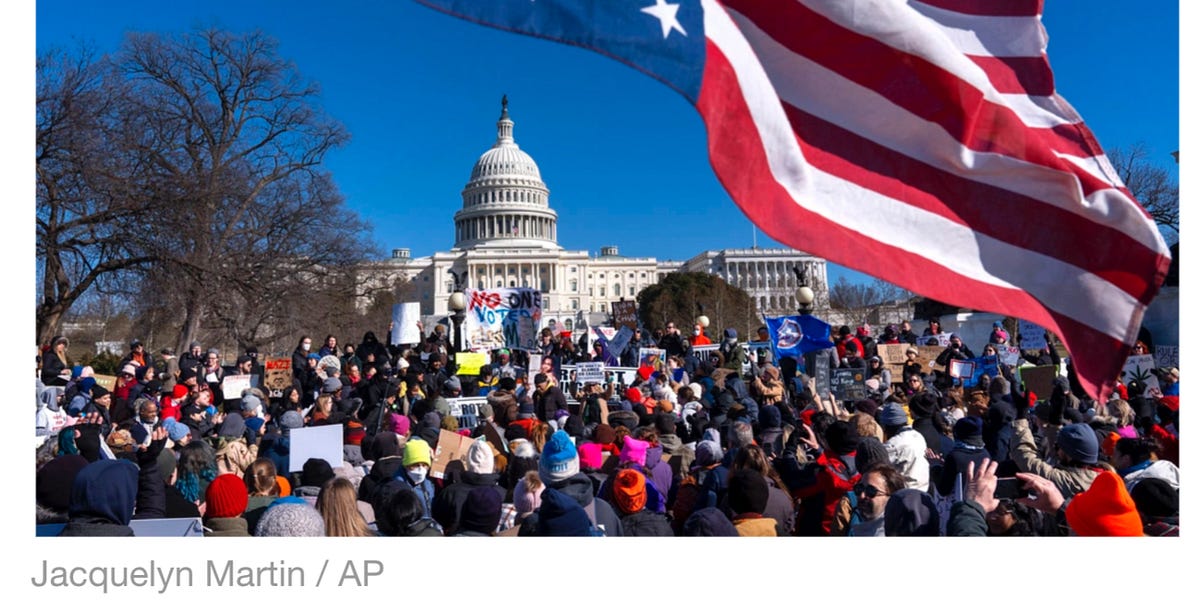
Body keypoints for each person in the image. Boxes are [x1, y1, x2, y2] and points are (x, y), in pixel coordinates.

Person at [879, 402, 930, 491]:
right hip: (923, 487)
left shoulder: (894, 444)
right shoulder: (917, 435)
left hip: (906, 491)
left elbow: (878, 465)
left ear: (887, 426)